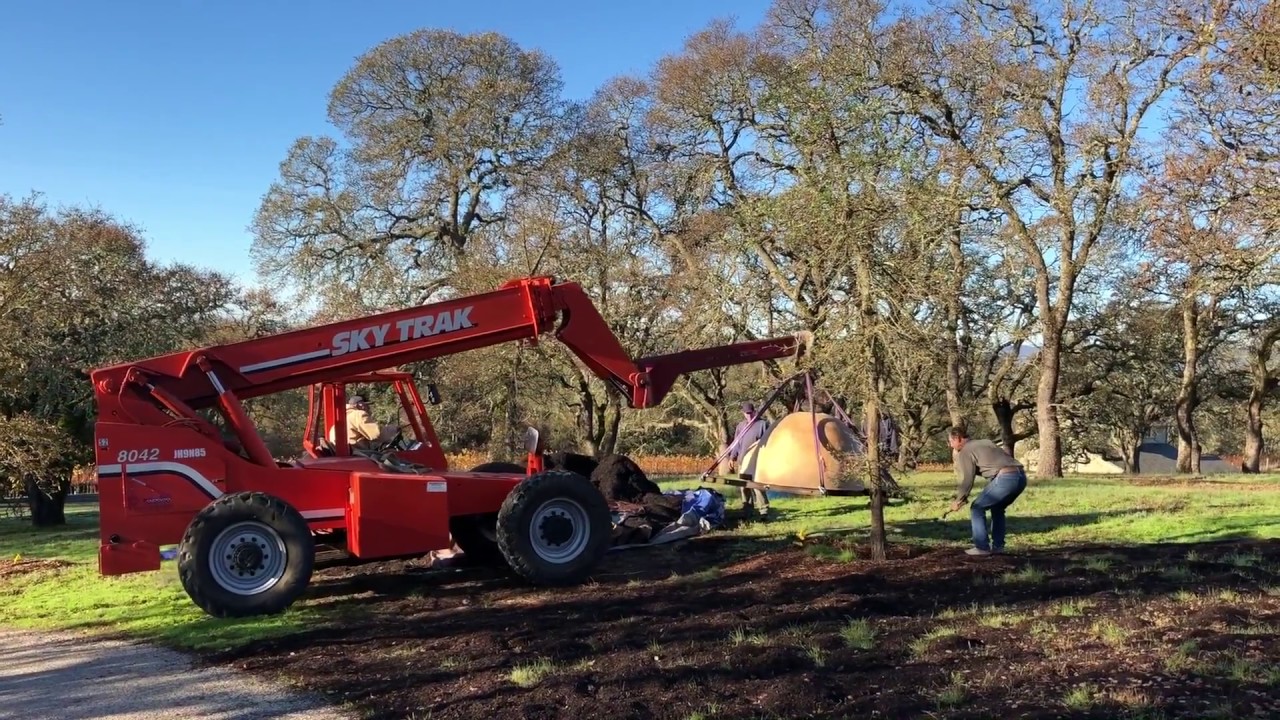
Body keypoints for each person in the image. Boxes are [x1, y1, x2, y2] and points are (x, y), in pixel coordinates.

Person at [947, 425, 1027, 555]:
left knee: (977, 508)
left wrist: (959, 499)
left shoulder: (965, 451)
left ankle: (981, 547)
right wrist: (964, 497)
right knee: (997, 509)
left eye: (951, 441)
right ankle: (998, 547)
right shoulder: (985, 442)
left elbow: (967, 479)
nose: (951, 445)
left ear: (958, 438)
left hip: (1005, 478)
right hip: (1021, 477)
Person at [728, 401, 770, 520]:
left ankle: (764, 511)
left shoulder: (762, 424)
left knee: (757, 486)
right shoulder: (741, 426)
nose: (749, 416)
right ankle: (747, 509)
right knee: (744, 486)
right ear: (743, 413)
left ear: (754, 412)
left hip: (757, 461)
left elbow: (768, 443)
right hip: (743, 461)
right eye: (747, 413)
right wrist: (732, 457)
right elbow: (736, 443)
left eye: (751, 413)